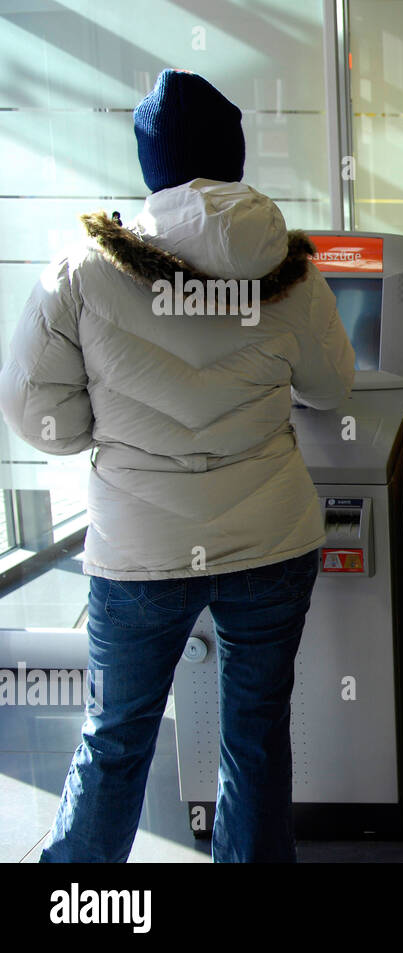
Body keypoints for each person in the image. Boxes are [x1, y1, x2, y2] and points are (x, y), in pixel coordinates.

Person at [0, 69, 355, 862]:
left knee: (116, 736)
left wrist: (114, 433)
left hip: (138, 552)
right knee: (255, 734)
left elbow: (36, 411)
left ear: (149, 164)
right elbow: (333, 386)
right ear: (232, 156)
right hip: (269, 538)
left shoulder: (83, 269)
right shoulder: (287, 268)